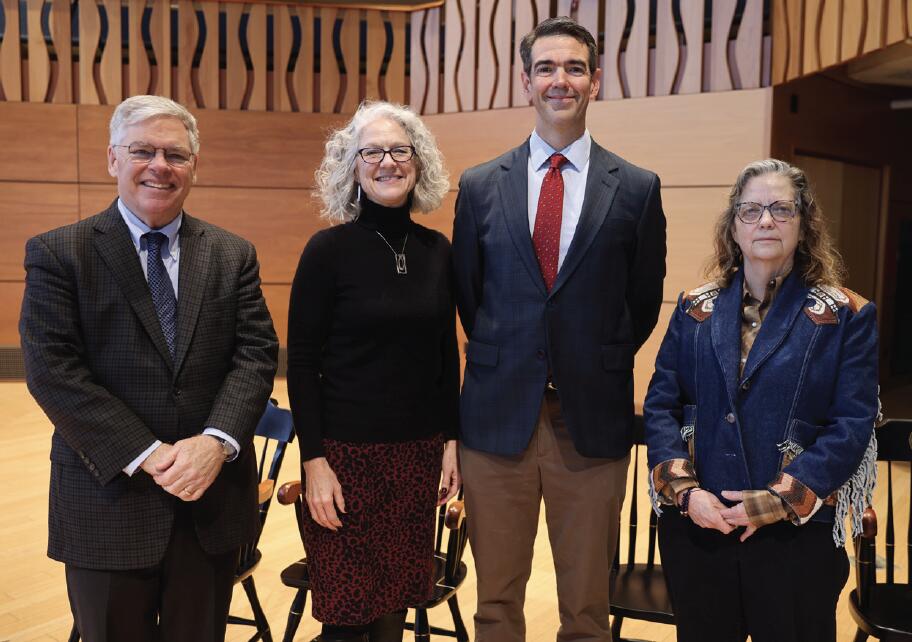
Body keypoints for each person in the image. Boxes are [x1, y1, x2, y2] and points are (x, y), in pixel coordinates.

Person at [19, 95, 279, 642]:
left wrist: (216, 442)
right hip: (108, 498)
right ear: (113, 159)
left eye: (176, 155)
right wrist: (150, 453)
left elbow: (255, 356)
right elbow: (53, 371)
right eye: (143, 151)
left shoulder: (233, 254)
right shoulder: (59, 253)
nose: (160, 166)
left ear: (193, 166)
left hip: (208, 501)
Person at [452, 17, 666, 642]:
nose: (560, 80)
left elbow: (642, 302)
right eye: (546, 68)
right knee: (496, 604)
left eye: (574, 68)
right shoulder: (479, 185)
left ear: (595, 81)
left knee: (586, 610)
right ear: (526, 81)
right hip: (496, 423)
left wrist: (587, 359)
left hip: (589, 424)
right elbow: (470, 296)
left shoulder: (635, 188)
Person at [644, 158, 879, 642]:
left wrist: (779, 501)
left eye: (781, 209)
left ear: (804, 222)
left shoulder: (847, 315)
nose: (765, 220)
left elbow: (852, 424)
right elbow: (661, 404)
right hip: (702, 530)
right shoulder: (694, 309)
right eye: (750, 210)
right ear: (733, 226)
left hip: (794, 539)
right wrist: (688, 495)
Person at [286, 100, 460, 642]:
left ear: (418, 162)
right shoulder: (327, 251)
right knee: (344, 617)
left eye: (399, 150)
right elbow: (302, 363)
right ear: (352, 166)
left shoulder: (437, 250)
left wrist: (452, 439)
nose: (388, 161)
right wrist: (313, 460)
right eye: (372, 152)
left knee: (393, 614)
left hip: (416, 457)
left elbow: (445, 354)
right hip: (344, 459)